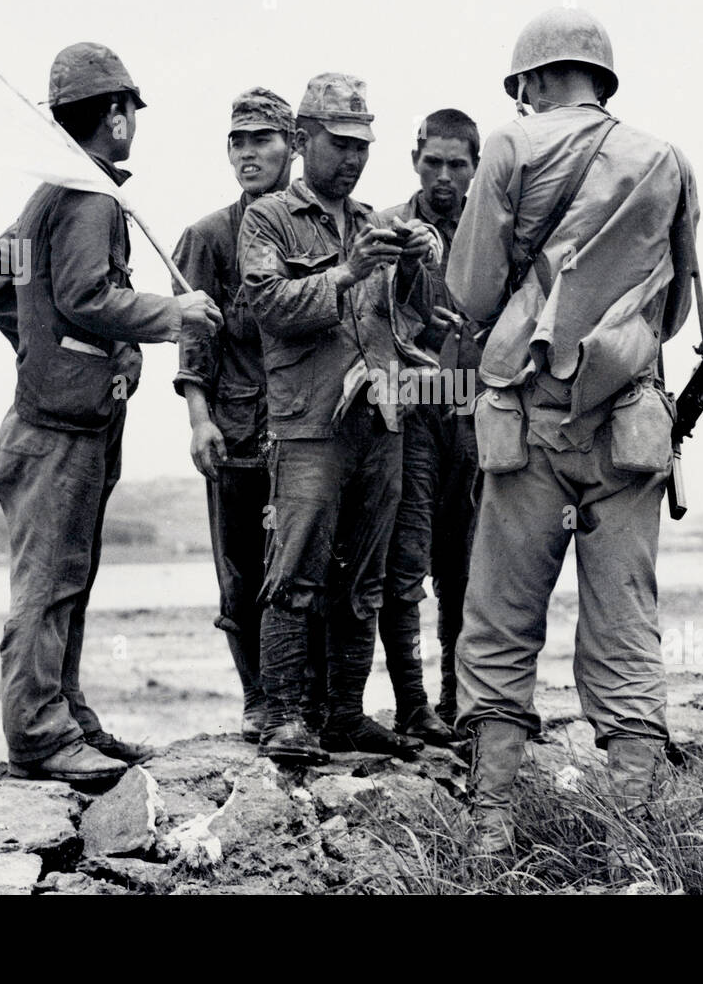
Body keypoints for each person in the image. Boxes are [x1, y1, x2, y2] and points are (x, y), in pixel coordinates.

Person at [445, 8, 698, 855]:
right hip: (628, 423)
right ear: (600, 76)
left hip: (530, 417)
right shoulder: (666, 158)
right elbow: (675, 310)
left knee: (500, 618)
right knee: (626, 620)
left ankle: (491, 827)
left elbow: (474, 291)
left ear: (534, 78)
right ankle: (630, 833)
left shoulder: (510, 147)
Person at [0, 42, 221, 782]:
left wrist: (54, 348)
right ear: (113, 116)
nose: (133, 122)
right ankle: (40, 738)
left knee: (64, 583)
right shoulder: (88, 195)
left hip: (59, 425)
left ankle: (63, 712)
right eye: (130, 110)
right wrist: (172, 314)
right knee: (47, 588)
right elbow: (84, 294)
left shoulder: (54, 189)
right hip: (57, 435)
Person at [238, 72, 437, 765]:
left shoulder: (375, 222)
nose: (353, 158)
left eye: (362, 145)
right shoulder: (267, 219)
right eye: (340, 143)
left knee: (367, 578)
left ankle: (346, 713)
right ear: (302, 140)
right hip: (309, 426)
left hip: (378, 421)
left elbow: (406, 320)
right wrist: (346, 274)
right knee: (294, 571)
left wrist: (418, 264)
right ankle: (285, 715)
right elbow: (268, 305)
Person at [171, 87, 295, 743]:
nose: (247, 152)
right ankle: (258, 699)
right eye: (237, 140)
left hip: (308, 432)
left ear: (294, 146)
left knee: (308, 569)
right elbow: (197, 341)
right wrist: (199, 418)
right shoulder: (208, 239)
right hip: (236, 434)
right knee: (241, 575)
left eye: (262, 139)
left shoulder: (319, 228)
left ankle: (303, 701)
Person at [375, 109, 482, 743]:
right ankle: (413, 704)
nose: (444, 177)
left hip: (476, 417)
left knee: (466, 570)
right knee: (405, 563)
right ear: (415, 156)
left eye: (458, 164)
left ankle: (458, 699)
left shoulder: (493, 236)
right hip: (412, 416)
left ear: (475, 167)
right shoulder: (386, 228)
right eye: (433, 162)